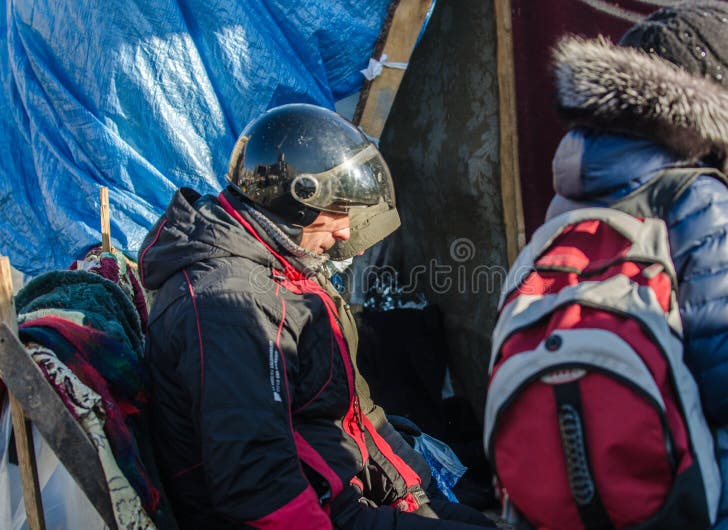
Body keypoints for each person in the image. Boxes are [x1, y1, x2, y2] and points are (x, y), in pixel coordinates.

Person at [138, 103, 495, 529]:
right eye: (339, 211)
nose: (347, 232)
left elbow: (355, 418)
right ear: (298, 202)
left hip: (340, 498)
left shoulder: (286, 273)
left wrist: (419, 499)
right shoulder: (229, 307)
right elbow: (260, 490)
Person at [545, 2, 728, 528]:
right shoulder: (696, 194)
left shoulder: (576, 187)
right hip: (701, 489)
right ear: (719, 101)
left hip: (605, 472)